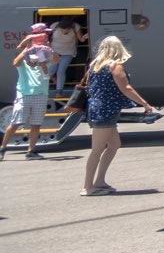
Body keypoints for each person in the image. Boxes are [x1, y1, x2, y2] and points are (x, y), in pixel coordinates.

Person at [80, 35, 157, 194]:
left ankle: (100, 181)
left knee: (114, 145)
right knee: (97, 149)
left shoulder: (94, 65)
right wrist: (145, 103)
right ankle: (88, 187)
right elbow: (126, 88)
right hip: (105, 110)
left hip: (97, 108)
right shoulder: (115, 66)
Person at [3, 31, 53, 160]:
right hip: (24, 95)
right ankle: (3, 147)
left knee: (36, 124)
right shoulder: (23, 64)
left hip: (41, 95)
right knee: (15, 123)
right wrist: (27, 48)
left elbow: (56, 58)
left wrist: (46, 46)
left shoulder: (45, 62)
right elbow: (15, 62)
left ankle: (31, 151)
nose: (33, 60)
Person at [48, 17, 83, 94]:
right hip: (54, 51)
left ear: (70, 27)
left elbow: (81, 39)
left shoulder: (75, 27)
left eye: (66, 29)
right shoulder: (54, 26)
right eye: (62, 29)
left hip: (68, 52)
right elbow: (47, 37)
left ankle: (59, 91)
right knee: (51, 71)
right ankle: (44, 86)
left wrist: (85, 37)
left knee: (61, 71)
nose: (64, 31)